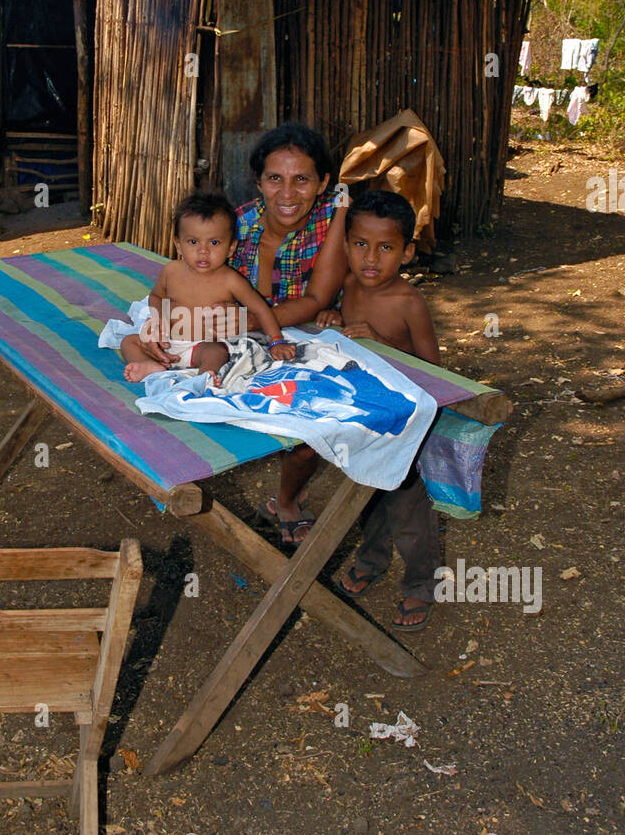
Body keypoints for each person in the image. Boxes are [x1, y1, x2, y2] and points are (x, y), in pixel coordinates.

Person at [319, 188, 441, 632]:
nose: (370, 258)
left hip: (408, 425)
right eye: (359, 244)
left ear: (407, 252)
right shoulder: (349, 284)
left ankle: (419, 585)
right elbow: (348, 328)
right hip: (367, 416)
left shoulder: (409, 303)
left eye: (386, 247)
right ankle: (370, 558)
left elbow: (434, 372)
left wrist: (381, 341)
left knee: (409, 513)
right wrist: (333, 319)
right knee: (366, 496)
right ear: (346, 244)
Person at [234, 124, 349, 543]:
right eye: (274, 179)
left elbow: (318, 297)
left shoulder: (331, 226)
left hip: (300, 339)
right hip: (235, 338)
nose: (287, 194)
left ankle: (286, 500)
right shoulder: (238, 224)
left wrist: (254, 322)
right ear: (258, 182)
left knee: (308, 429)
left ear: (322, 184)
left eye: (301, 179)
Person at [120, 191, 297, 383]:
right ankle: (149, 365)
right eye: (193, 241)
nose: (203, 251)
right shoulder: (171, 271)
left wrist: (276, 341)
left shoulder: (230, 280)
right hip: (167, 342)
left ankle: (205, 375)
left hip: (202, 346)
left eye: (214, 242)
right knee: (129, 342)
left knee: (217, 352)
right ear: (178, 245)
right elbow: (156, 296)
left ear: (230, 248)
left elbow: (261, 310)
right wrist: (157, 320)